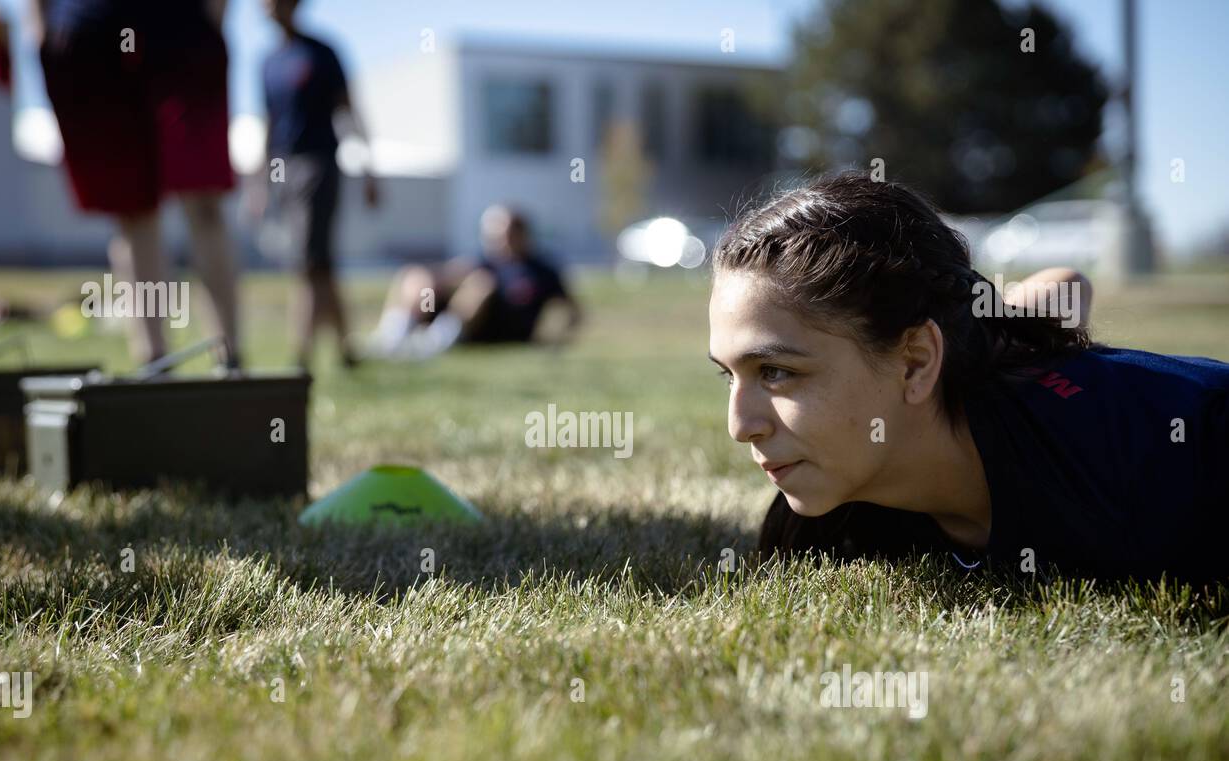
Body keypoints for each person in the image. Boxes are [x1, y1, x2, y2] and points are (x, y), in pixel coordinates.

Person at [708, 172, 1229, 588]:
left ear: (915, 362)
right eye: (729, 375)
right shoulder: (841, 495)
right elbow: (1061, 285)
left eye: (775, 372)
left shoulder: (1163, 474)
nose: (740, 426)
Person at [33, 0, 243, 368]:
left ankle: (229, 358)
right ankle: (155, 360)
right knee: (133, 212)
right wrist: (38, 26)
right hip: (94, 35)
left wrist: (210, 18)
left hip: (183, 30)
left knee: (204, 201)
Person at [252, 0, 379, 371]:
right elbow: (268, 124)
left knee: (307, 261)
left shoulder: (322, 53)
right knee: (320, 263)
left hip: (318, 165)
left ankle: (301, 354)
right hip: (283, 167)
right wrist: (261, 183)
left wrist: (369, 167)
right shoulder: (267, 62)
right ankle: (346, 349)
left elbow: (349, 109)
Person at [369, 205, 582, 359]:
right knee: (417, 276)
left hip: (493, 331)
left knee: (480, 285)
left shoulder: (542, 270)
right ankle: (393, 337)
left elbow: (573, 312)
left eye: (504, 233)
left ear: (521, 233)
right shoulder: (482, 260)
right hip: (452, 317)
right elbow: (449, 273)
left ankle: (433, 344)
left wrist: (553, 341)